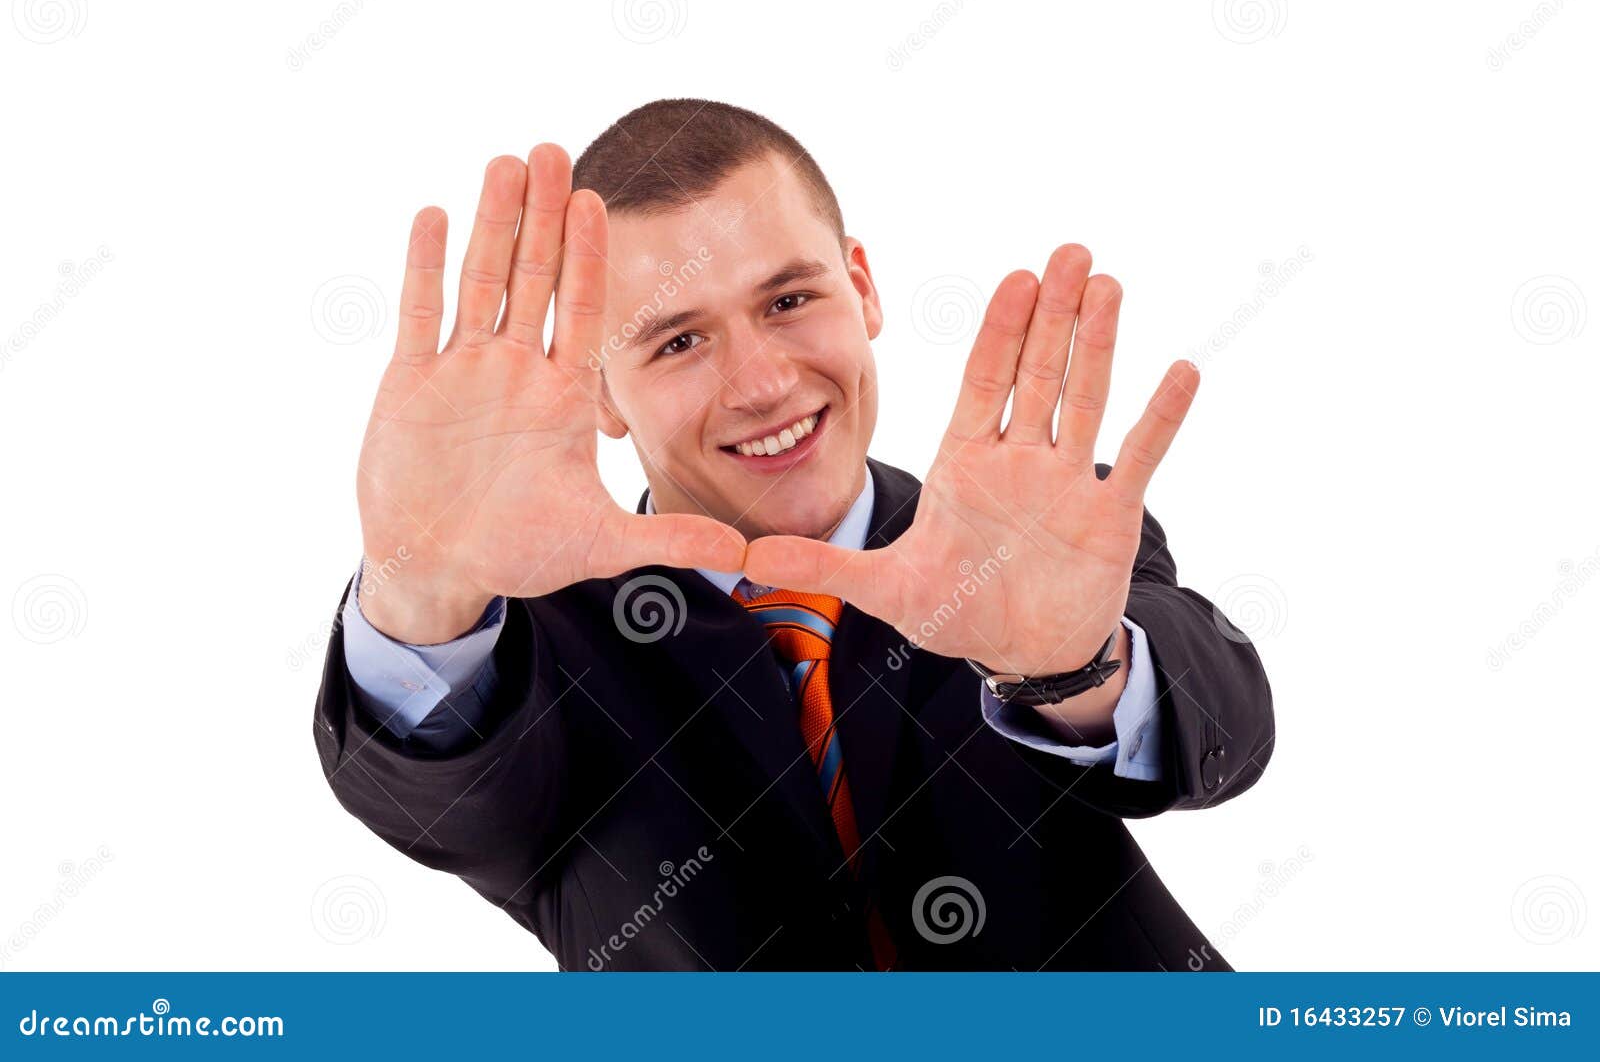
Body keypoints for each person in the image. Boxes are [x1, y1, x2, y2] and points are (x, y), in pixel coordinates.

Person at [312, 99, 1275, 971]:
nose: (763, 383)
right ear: (600, 388)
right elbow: (432, 798)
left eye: (788, 300)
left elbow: (1227, 729)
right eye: (678, 340)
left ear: (862, 287)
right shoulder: (535, 648)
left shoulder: (1035, 535)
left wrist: (1078, 668)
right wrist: (421, 588)